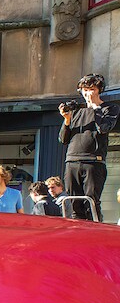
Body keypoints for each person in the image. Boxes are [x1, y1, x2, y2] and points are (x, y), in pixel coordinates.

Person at [59, 73, 117, 221]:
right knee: (74, 203)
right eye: (84, 90)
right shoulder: (77, 111)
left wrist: (95, 107)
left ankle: (95, 234)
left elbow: (103, 128)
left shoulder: (109, 109)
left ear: (98, 90)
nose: (86, 93)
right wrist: (67, 120)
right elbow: (63, 139)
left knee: (91, 202)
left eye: (90, 89)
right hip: (72, 161)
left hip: (93, 162)